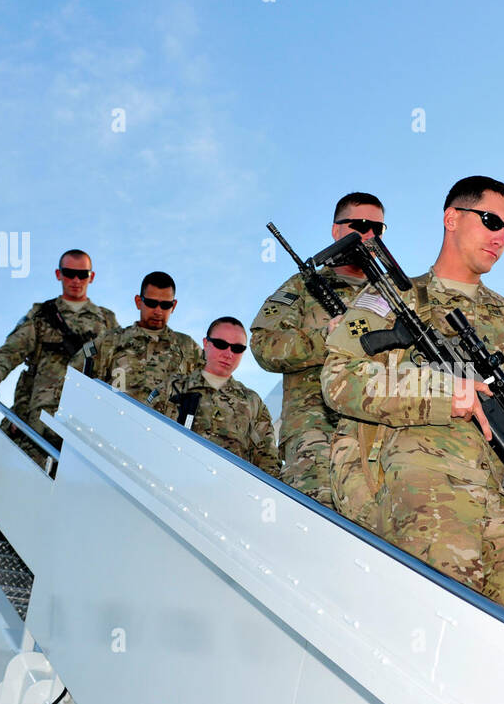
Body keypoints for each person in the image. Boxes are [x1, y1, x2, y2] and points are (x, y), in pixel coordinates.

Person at [321, 176, 504, 647]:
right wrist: (447, 394)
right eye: (491, 221)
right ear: (451, 219)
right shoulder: (390, 297)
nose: (500, 237)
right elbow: (340, 381)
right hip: (426, 493)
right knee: (441, 642)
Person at [250, 192, 386, 519]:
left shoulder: (391, 294)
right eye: (359, 225)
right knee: (312, 533)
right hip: (317, 440)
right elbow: (264, 345)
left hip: (381, 443)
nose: (368, 234)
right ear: (336, 231)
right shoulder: (302, 286)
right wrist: (326, 338)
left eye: (377, 229)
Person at [0, 249, 118, 464]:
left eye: (82, 274)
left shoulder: (106, 320)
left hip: (85, 421)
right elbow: (14, 347)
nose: (76, 280)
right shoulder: (42, 315)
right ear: (59, 274)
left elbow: (119, 364)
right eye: (69, 273)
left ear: (92, 277)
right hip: (38, 420)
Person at [77, 271, 203, 419]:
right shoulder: (109, 342)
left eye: (165, 305)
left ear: (173, 306)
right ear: (138, 301)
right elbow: (73, 382)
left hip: (164, 437)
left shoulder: (188, 348)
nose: (158, 311)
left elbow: (211, 391)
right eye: (151, 303)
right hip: (111, 430)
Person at [177, 316, 279, 477]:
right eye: (221, 344)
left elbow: (268, 462)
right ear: (206, 343)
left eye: (237, 348)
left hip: (230, 493)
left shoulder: (253, 402)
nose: (229, 354)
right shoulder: (172, 389)